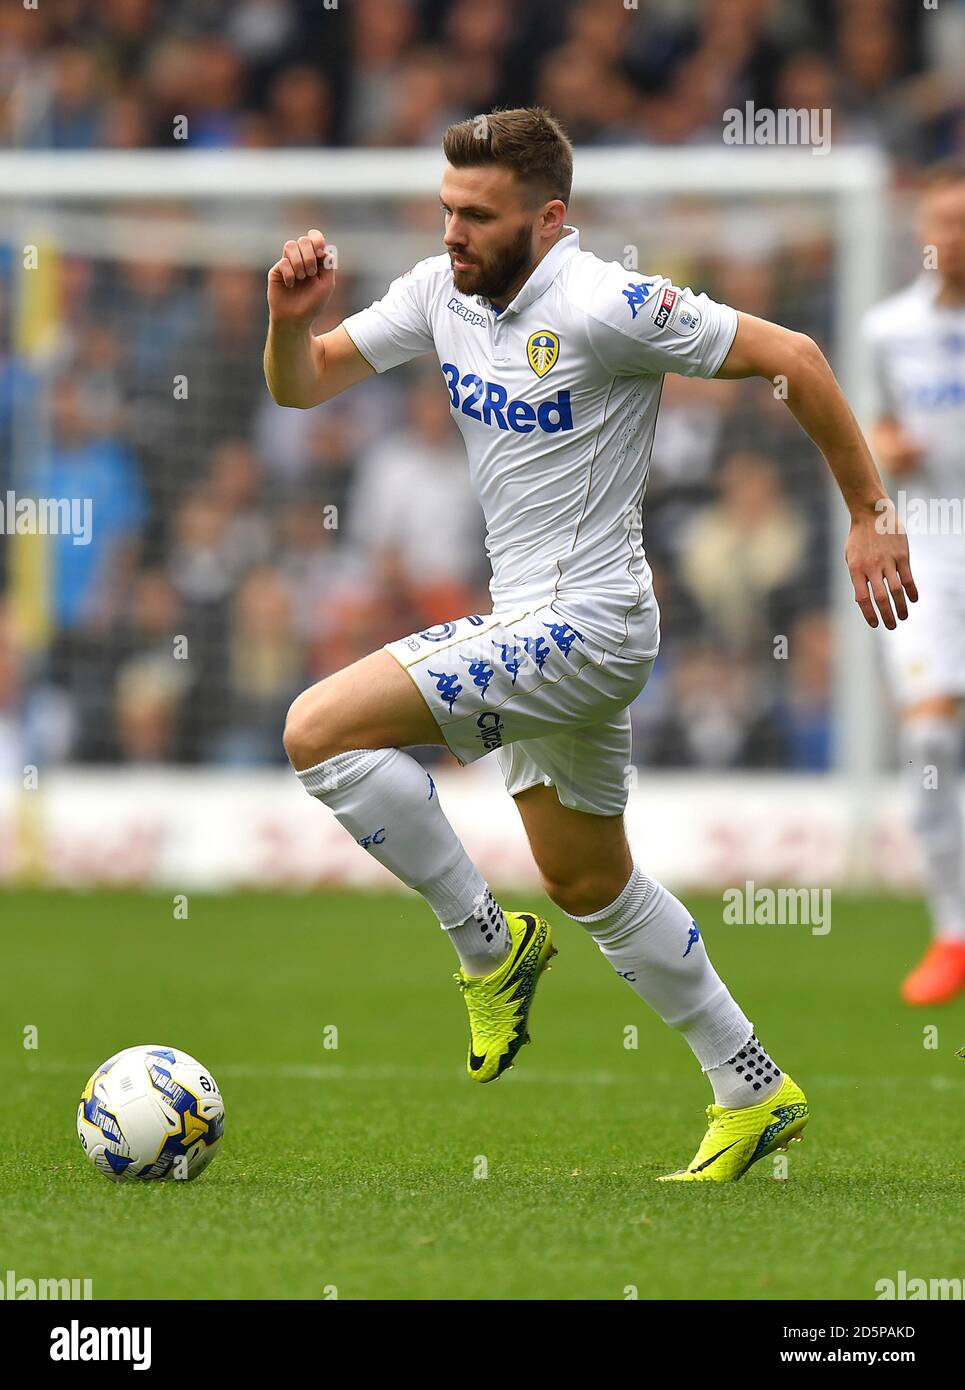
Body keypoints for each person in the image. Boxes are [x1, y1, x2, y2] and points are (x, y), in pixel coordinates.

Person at [264, 107, 915, 1181]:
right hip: (530, 618)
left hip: (586, 623)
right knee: (585, 879)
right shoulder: (442, 291)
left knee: (315, 730)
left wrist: (867, 510)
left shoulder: (608, 302)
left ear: (547, 216)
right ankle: (749, 1084)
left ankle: (485, 943)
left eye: (476, 214)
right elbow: (305, 380)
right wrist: (290, 320)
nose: (452, 231)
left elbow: (789, 355)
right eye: (444, 210)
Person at [863, 159, 965, 1005]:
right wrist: (881, 447)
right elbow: (864, 425)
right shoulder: (886, 329)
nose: (954, 236)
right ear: (921, 232)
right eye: (944, 221)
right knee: (930, 742)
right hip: (927, 541)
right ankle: (951, 935)